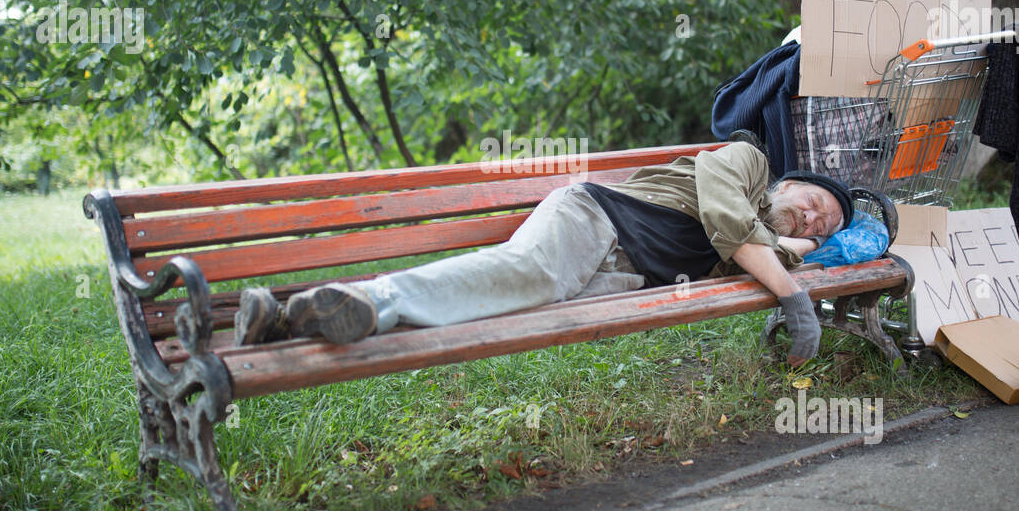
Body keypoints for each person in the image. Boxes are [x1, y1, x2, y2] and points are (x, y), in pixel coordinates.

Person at [234, 141, 853, 365]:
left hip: (619, 278)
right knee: (520, 272)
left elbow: (754, 242)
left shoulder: (766, 245)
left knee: (489, 304)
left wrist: (794, 249)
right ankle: (368, 298)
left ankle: (289, 319)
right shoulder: (745, 163)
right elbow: (725, 218)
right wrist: (791, 283)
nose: (812, 218)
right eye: (814, 202)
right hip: (597, 222)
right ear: (789, 180)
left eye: (823, 228)